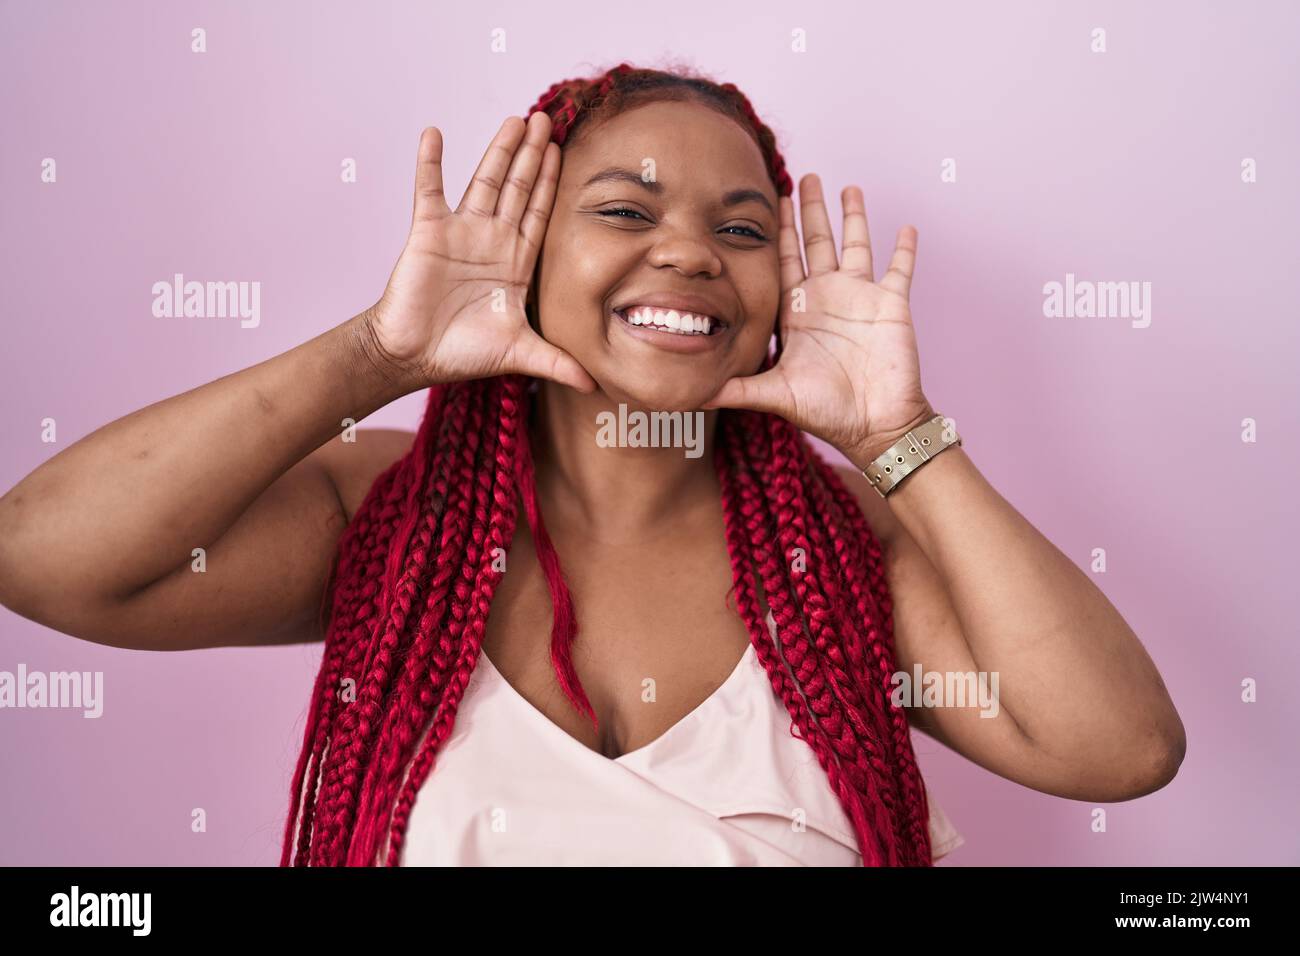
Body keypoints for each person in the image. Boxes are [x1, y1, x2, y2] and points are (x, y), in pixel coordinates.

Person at [0, 63, 1185, 867]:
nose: (691, 253)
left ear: (779, 293)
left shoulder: (841, 554)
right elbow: (45, 558)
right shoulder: (384, 509)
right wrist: (379, 353)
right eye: (624, 211)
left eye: (741, 228)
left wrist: (894, 441)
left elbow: (1119, 748)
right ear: (521, 255)